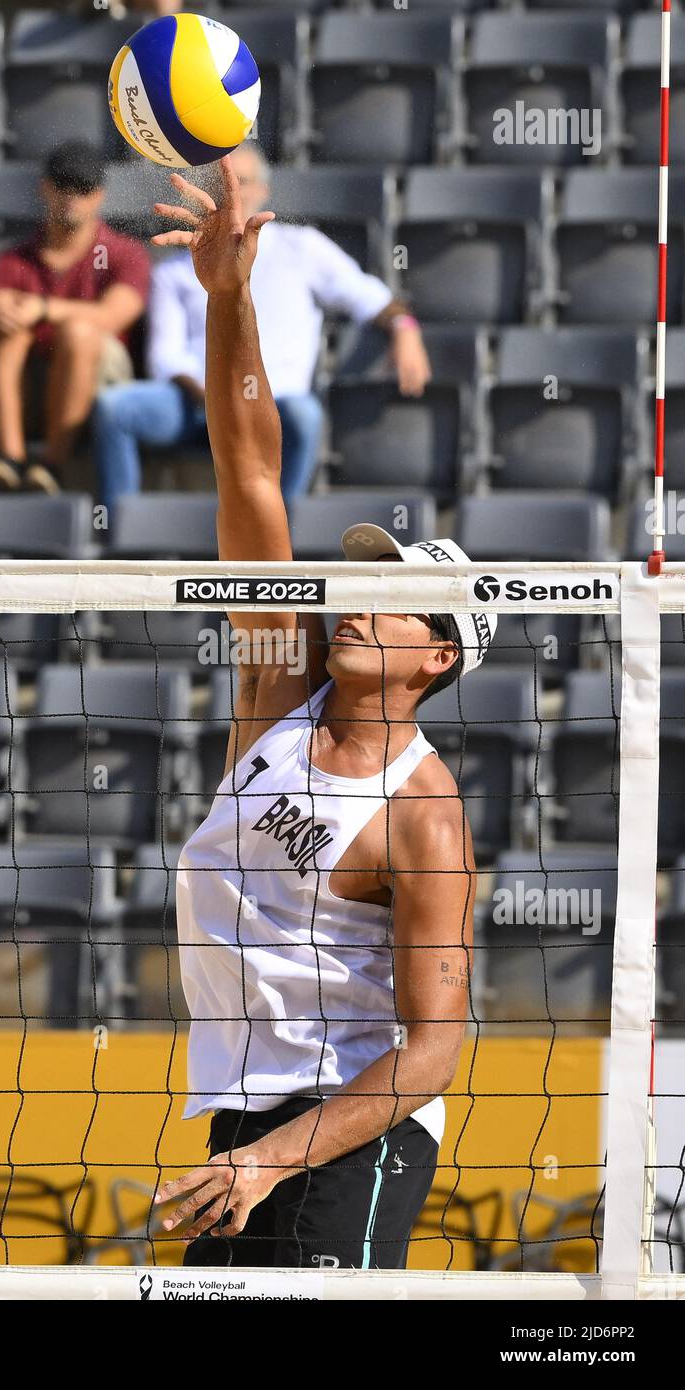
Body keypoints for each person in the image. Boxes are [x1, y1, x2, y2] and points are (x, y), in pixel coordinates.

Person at [149, 159, 495, 1271]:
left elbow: (433, 1049)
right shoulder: (275, 693)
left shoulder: (422, 813)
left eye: (395, 598)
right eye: (363, 581)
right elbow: (249, 469)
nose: (359, 600)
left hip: (355, 1129)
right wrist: (227, 297)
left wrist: (277, 1158)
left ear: (436, 656)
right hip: (245, 1110)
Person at [92, 141, 431, 509]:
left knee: (305, 416)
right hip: (197, 405)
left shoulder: (303, 248)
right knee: (115, 409)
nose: (231, 193)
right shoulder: (175, 269)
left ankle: (280, 542)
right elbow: (166, 358)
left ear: (262, 191)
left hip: (276, 404)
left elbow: (371, 298)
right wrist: (215, 399)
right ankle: (118, 534)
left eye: (241, 181)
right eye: (222, 183)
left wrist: (405, 328)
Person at [0, 140, 150, 493]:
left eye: (83, 188)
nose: (72, 198)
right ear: (45, 188)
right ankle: (10, 460)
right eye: (64, 185)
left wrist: (44, 309)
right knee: (5, 329)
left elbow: (113, 317)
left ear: (98, 195)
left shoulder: (124, 254)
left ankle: (53, 465)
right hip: (31, 389)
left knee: (79, 333)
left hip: (100, 389)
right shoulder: (13, 261)